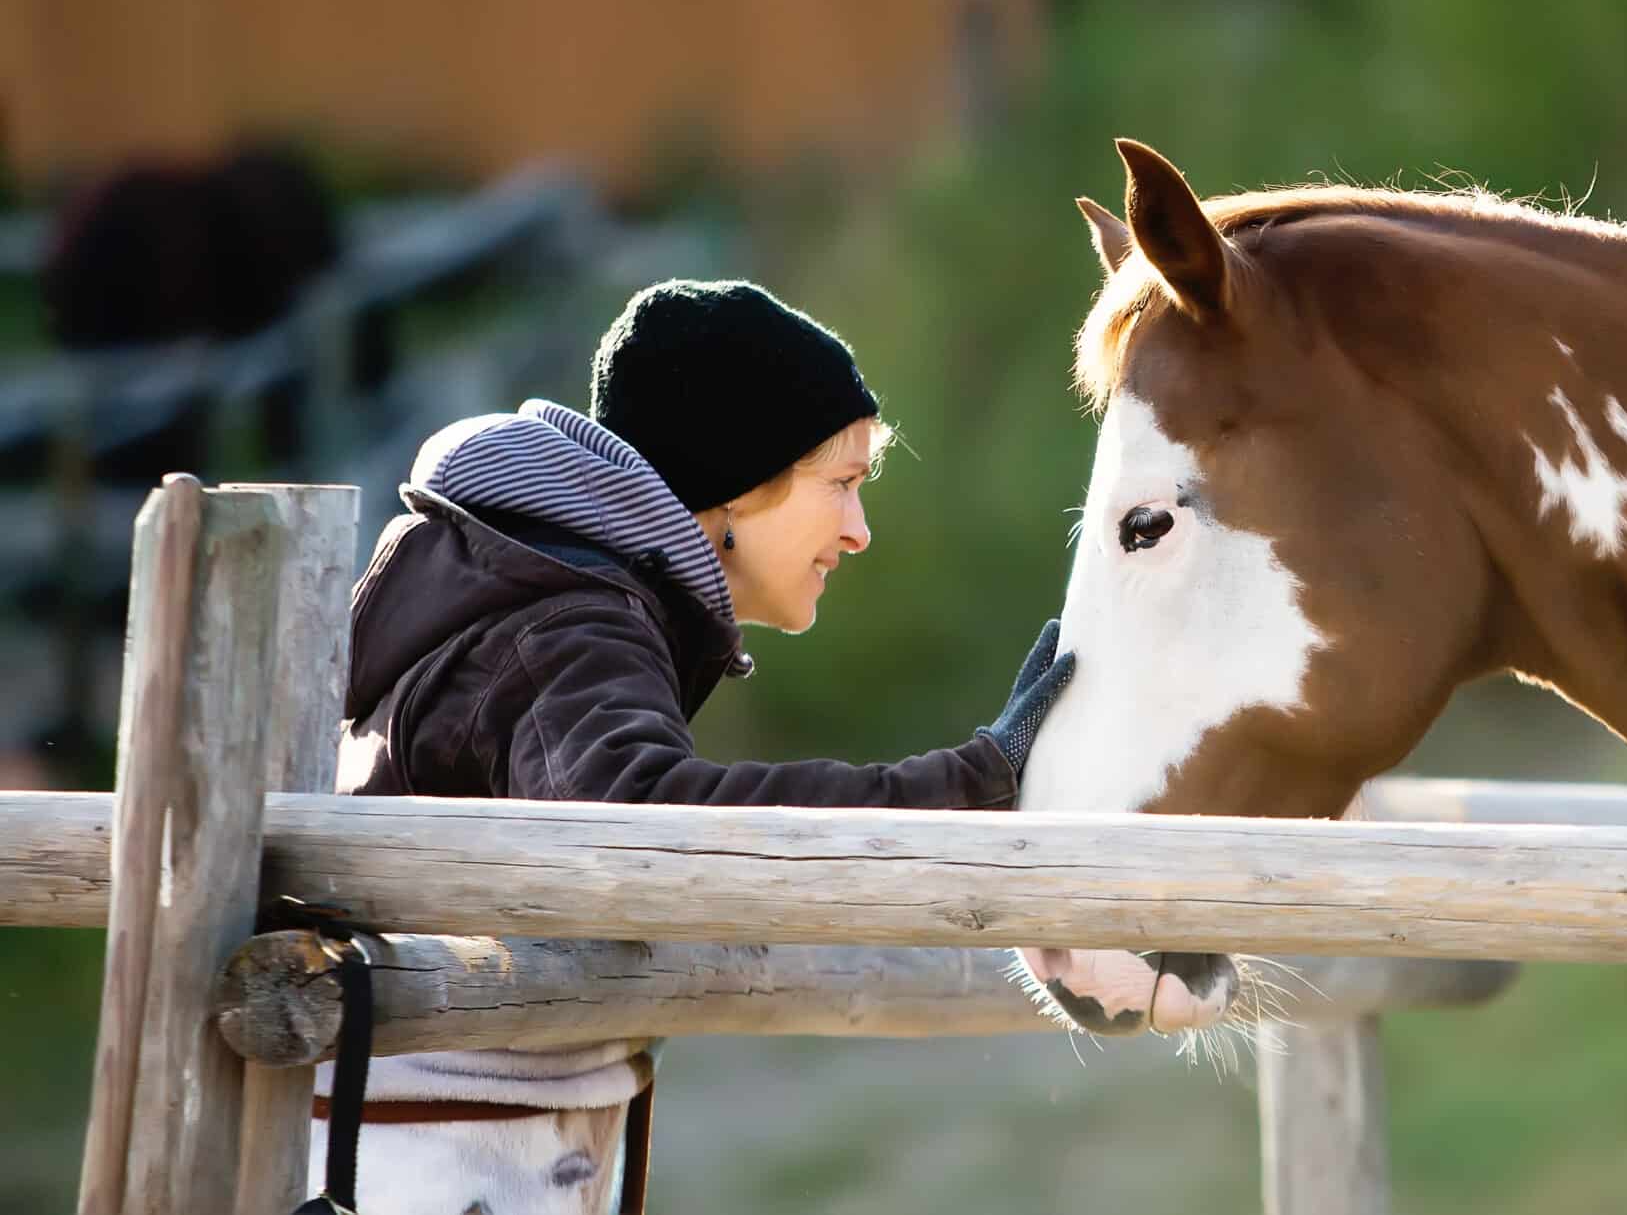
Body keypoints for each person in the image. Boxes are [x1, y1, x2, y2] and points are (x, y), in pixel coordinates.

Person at [311, 279, 1074, 1215]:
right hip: (425, 1173)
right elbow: (645, 833)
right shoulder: (568, 623)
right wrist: (976, 786)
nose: (858, 529)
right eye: (840, 484)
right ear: (733, 487)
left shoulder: (551, 593)